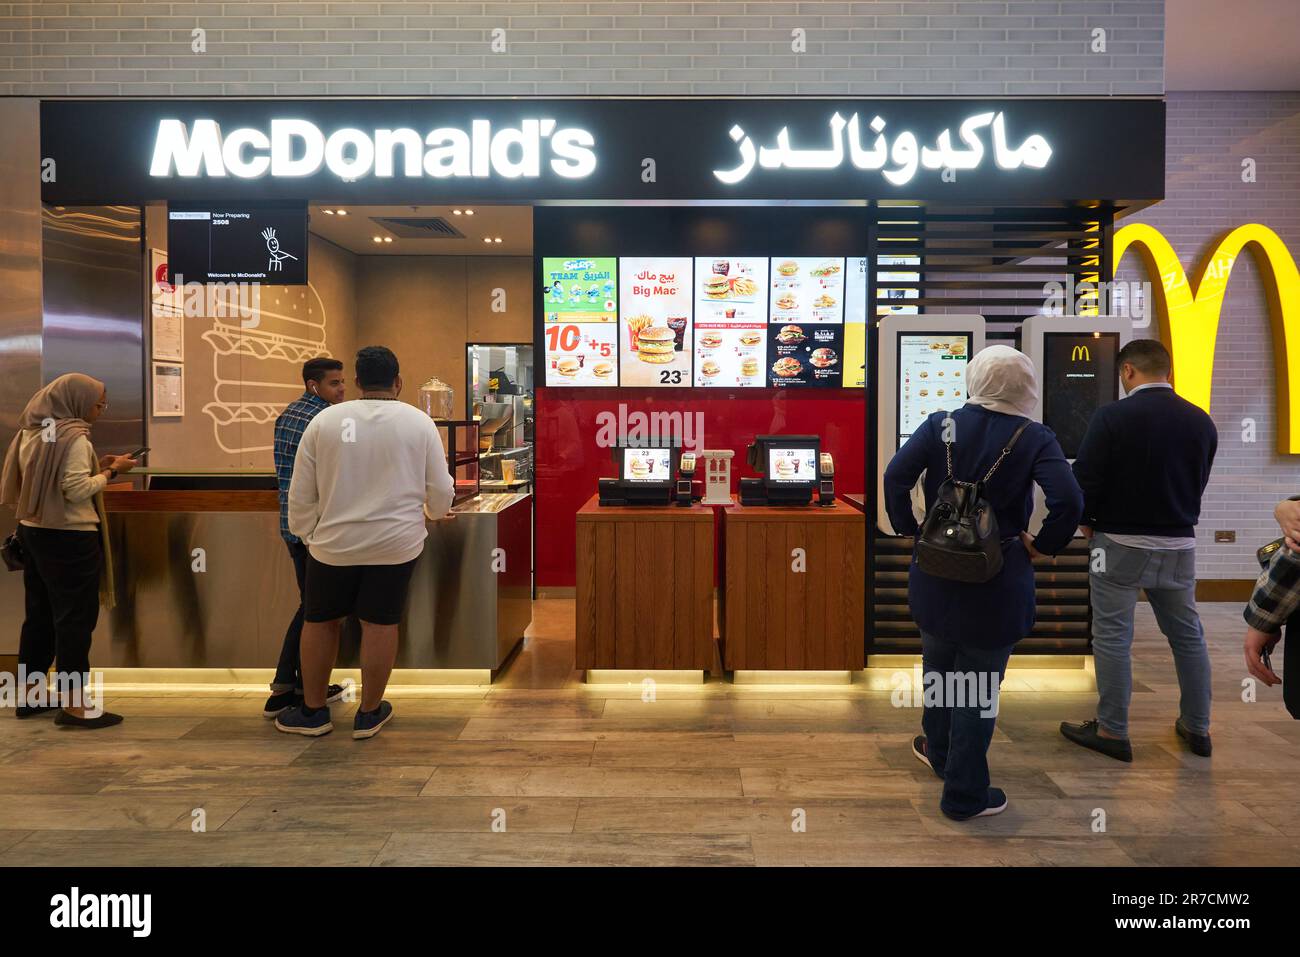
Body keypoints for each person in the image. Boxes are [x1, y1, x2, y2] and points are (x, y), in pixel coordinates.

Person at [884, 345, 1083, 820]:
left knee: (940, 667)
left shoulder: (940, 424)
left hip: (934, 571)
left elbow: (896, 476)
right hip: (997, 578)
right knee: (976, 685)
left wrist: (911, 533)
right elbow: (1069, 502)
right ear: (1027, 387)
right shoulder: (1034, 436)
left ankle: (939, 752)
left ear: (974, 379)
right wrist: (1043, 544)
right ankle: (964, 795)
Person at [276, 346, 455, 740]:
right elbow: (440, 488)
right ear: (399, 381)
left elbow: (300, 491)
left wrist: (307, 534)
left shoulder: (325, 421)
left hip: (333, 545)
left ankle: (313, 712)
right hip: (396, 544)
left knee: (321, 622)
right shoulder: (418, 422)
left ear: (357, 381)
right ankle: (370, 712)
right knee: (380, 624)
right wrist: (436, 512)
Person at [1061, 338, 1218, 761]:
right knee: (1188, 637)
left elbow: (1087, 479)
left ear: (1128, 371)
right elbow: (1198, 480)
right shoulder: (1201, 421)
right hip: (1181, 544)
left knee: (1112, 637)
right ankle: (1198, 727)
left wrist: (1087, 523)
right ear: (1167, 370)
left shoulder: (1111, 417)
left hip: (1117, 543)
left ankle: (1113, 730)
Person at [0, 373, 138, 728]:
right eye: (98, 403)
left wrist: (100, 466)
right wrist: (112, 473)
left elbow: (45, 482)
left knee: (40, 616)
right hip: (69, 537)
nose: (101, 410)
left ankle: (30, 696)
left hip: (34, 532)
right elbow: (75, 491)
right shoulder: (73, 438)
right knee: (75, 621)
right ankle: (75, 705)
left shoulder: (33, 431)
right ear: (76, 401)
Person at [264, 357, 349, 718]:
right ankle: (286, 689)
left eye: (344, 381)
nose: (342, 389)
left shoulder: (292, 413)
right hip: (313, 530)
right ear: (314, 385)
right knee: (316, 611)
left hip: (297, 527)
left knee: (311, 607)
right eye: (335, 383)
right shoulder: (318, 420)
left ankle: (295, 684)